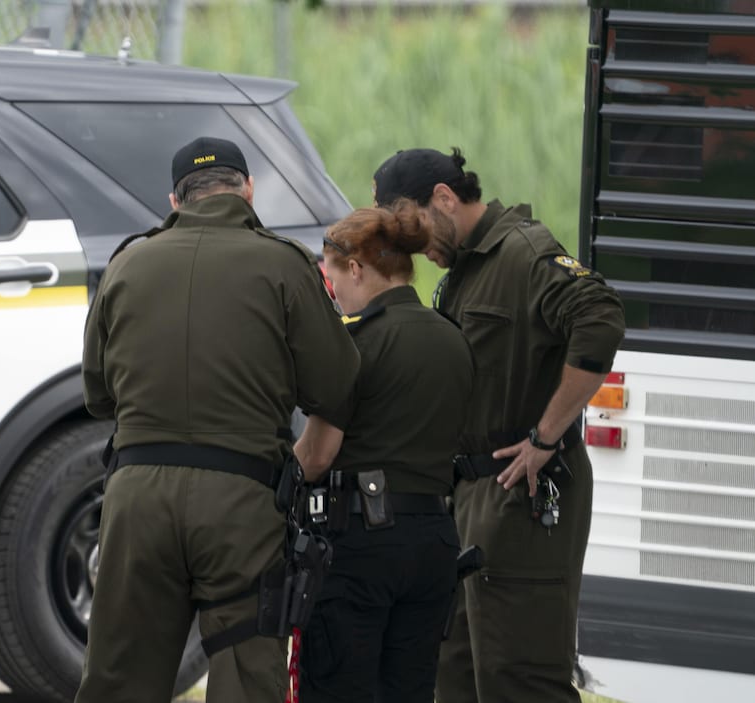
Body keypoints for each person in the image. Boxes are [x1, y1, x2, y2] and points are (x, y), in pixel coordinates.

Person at [77, 136, 360, 703]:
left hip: (138, 499)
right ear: (248, 190)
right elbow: (335, 386)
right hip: (241, 500)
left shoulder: (128, 262)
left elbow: (99, 396)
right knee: (246, 677)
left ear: (175, 200)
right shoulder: (285, 264)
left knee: (119, 678)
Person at [371, 148, 625, 703]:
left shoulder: (523, 254)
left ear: (443, 198)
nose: (417, 246)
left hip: (520, 493)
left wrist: (546, 436)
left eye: (415, 228)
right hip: (465, 496)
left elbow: (600, 318)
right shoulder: (465, 271)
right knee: (456, 674)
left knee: (519, 676)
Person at [292, 201, 474, 703]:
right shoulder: (453, 338)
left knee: (337, 689)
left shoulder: (354, 342)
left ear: (356, 267)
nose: (336, 291)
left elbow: (318, 454)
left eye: (334, 276)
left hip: (360, 545)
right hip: (435, 542)